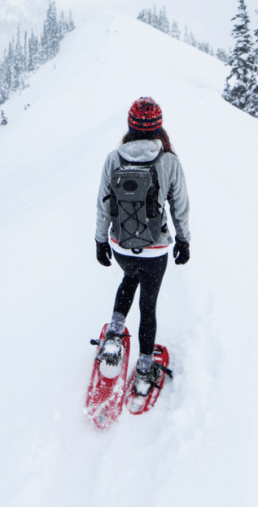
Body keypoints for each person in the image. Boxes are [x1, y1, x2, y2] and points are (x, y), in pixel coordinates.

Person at [94, 96, 191, 396]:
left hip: (121, 245)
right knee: (147, 307)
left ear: (130, 126)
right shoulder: (169, 161)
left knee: (128, 278)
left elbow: (102, 205)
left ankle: (113, 334)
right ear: (158, 127)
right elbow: (180, 206)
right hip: (155, 250)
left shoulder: (113, 158)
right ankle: (145, 370)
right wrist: (184, 240)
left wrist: (100, 241)